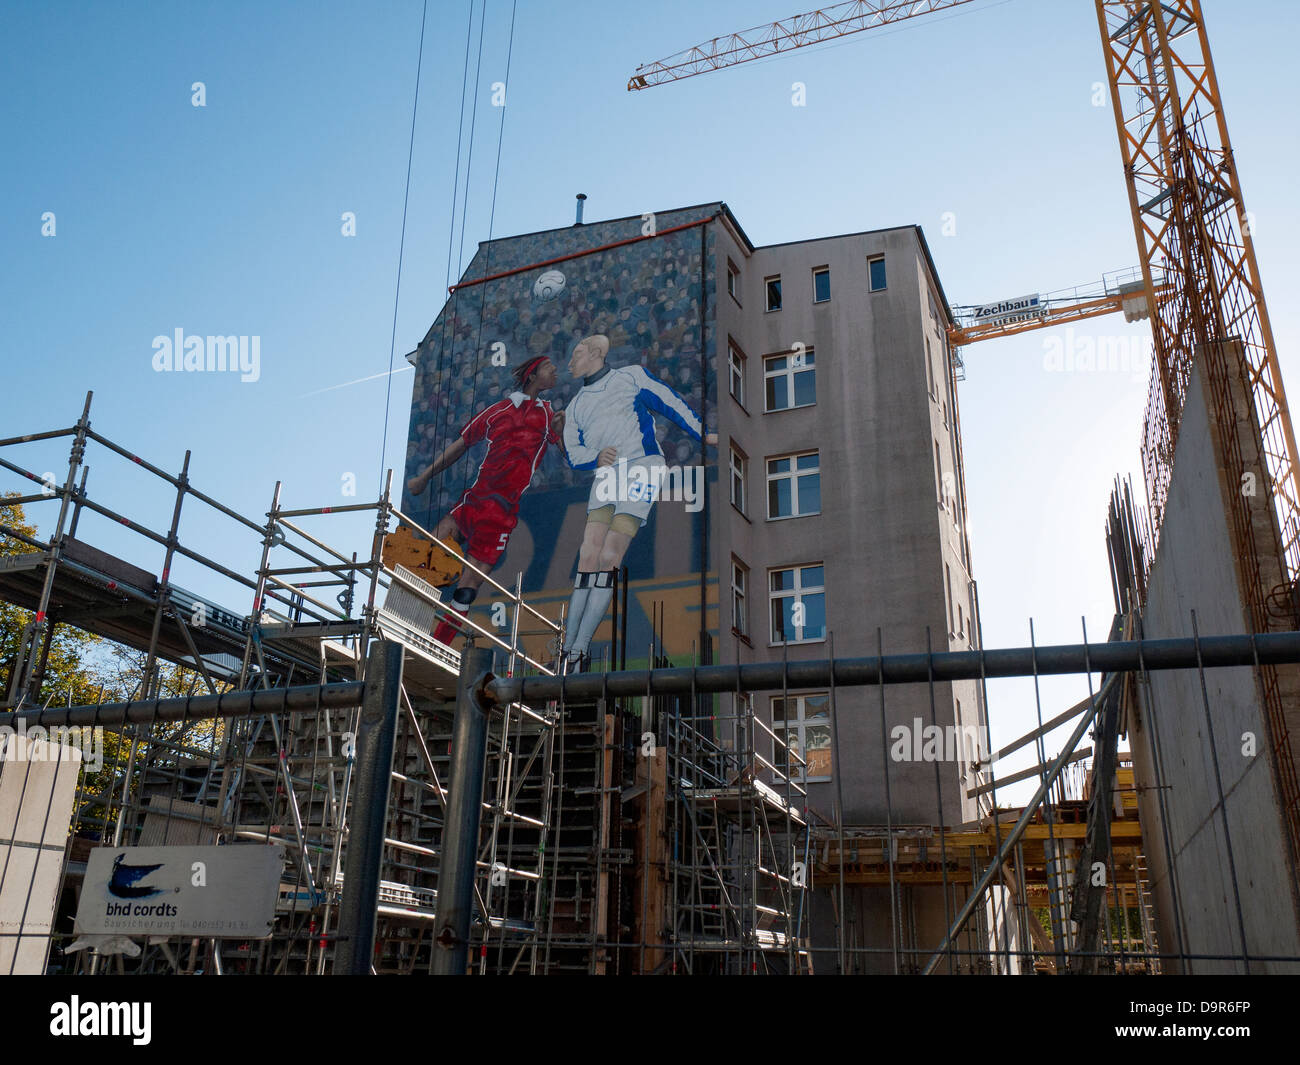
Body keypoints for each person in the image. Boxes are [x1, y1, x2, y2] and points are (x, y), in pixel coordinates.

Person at [559, 334, 716, 670]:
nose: (571, 361)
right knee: (588, 554)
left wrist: (702, 433)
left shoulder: (631, 376)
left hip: (642, 468)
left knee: (609, 555)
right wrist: (594, 457)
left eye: (577, 353)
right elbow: (574, 453)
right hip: (607, 475)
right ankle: (567, 647)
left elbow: (669, 401)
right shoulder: (575, 405)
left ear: (598, 354)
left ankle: (580, 648)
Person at [407, 356, 563, 643]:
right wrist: (424, 477)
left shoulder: (549, 415)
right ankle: (401, 630)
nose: (555, 370)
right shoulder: (498, 410)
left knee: (468, 587)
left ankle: (435, 645)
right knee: (424, 560)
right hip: (474, 501)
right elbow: (461, 445)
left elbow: (569, 453)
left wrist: (563, 433)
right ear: (532, 375)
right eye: (548, 367)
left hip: (502, 513)